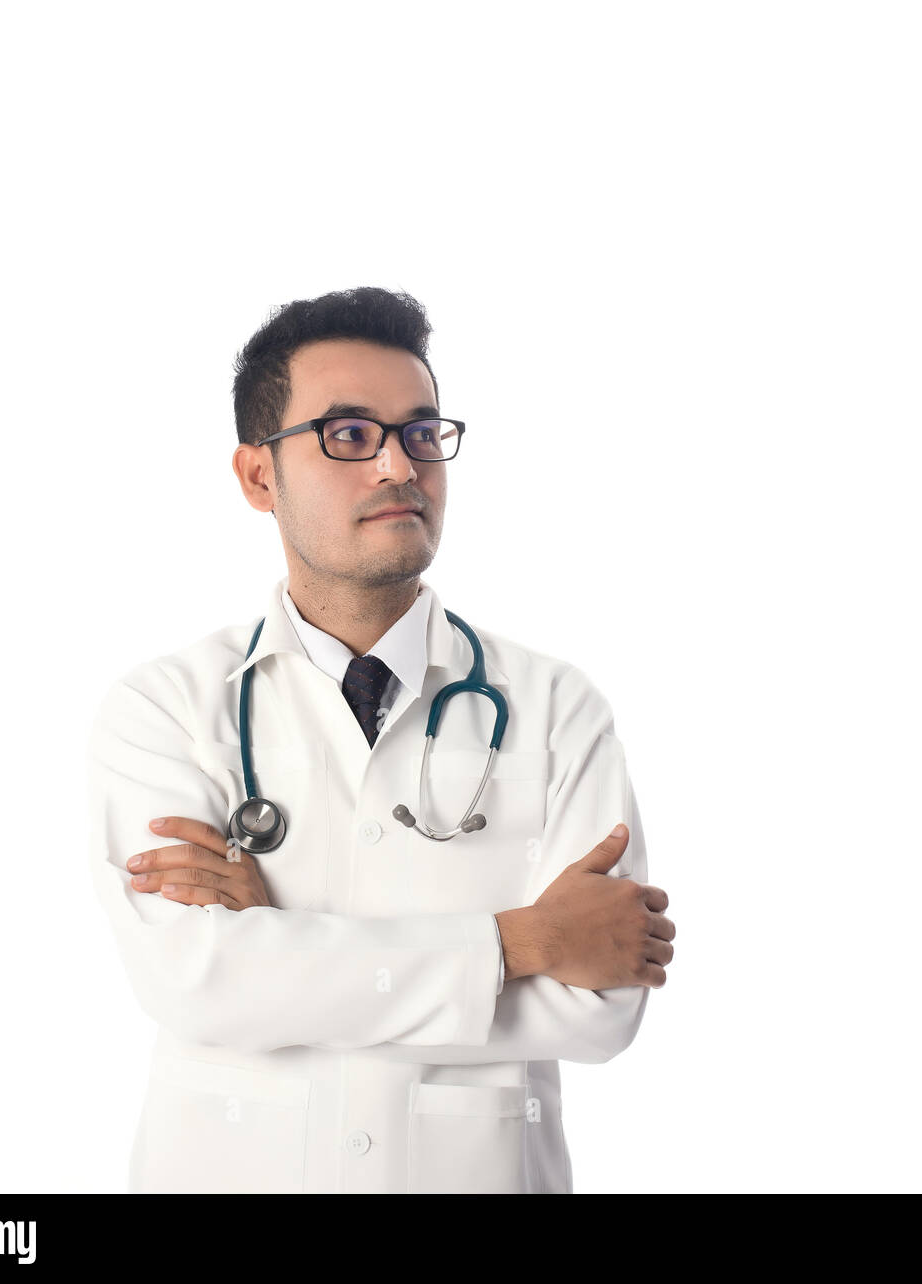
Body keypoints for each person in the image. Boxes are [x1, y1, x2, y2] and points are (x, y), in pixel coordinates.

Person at [85, 286, 675, 1194]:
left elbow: (599, 1008)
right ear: (257, 477)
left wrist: (282, 954)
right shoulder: (164, 709)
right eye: (348, 434)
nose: (399, 464)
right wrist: (522, 943)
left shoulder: (557, 707)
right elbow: (196, 984)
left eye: (422, 432)